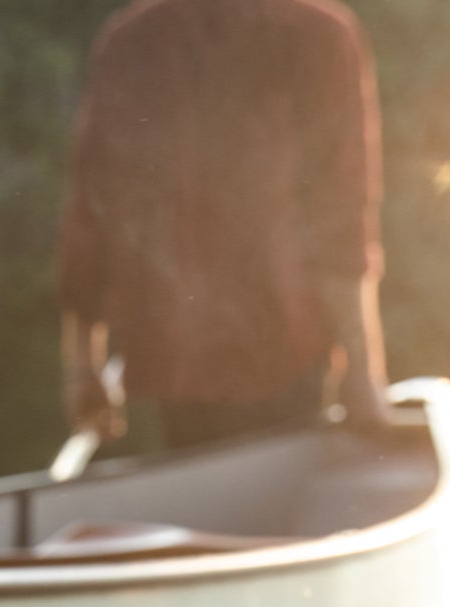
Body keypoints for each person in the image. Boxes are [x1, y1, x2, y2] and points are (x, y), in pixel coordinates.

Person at [58, 0, 395, 452]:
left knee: (197, 493)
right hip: (282, 349)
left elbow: (91, 210)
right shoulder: (319, 34)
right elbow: (341, 218)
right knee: (276, 504)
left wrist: (83, 363)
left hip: (173, 357)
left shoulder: (130, 39)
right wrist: (363, 371)